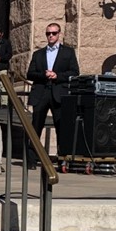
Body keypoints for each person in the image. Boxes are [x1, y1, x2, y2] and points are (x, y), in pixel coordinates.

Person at [27, 22, 80, 161]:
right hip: (41, 92)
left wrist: (57, 76)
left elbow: (74, 72)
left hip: (59, 92)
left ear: (59, 34)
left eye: (53, 33)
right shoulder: (38, 54)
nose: (51, 36)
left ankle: (63, 158)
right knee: (36, 126)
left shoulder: (68, 52)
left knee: (61, 126)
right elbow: (30, 74)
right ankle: (31, 157)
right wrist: (44, 75)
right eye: (48, 33)